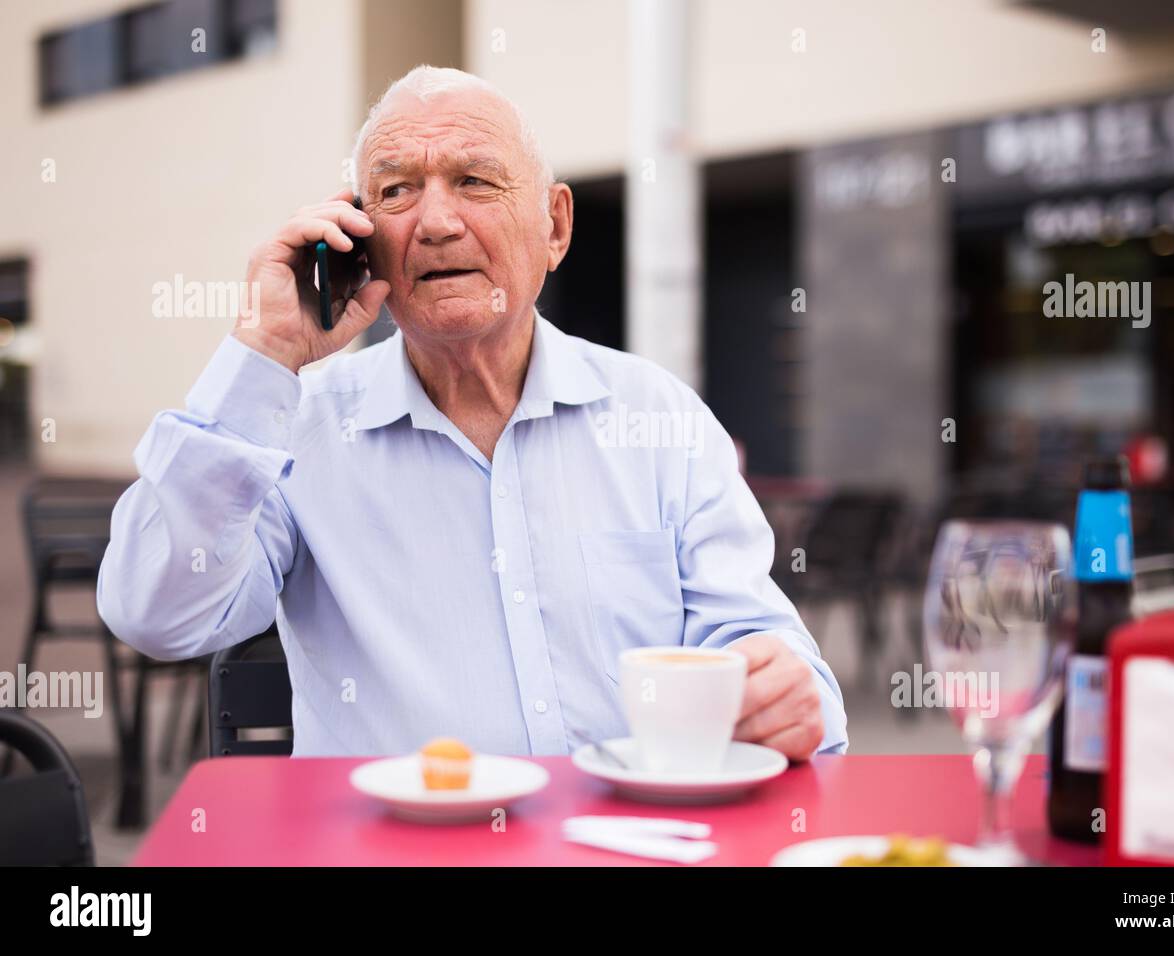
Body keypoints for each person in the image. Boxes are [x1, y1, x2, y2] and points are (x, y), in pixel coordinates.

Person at [97, 65, 847, 760]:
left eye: (475, 181)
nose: (435, 223)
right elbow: (156, 615)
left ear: (554, 226)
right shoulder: (294, 431)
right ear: (358, 240)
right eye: (394, 192)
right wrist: (262, 353)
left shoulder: (658, 418)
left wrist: (788, 698)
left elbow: (762, 646)